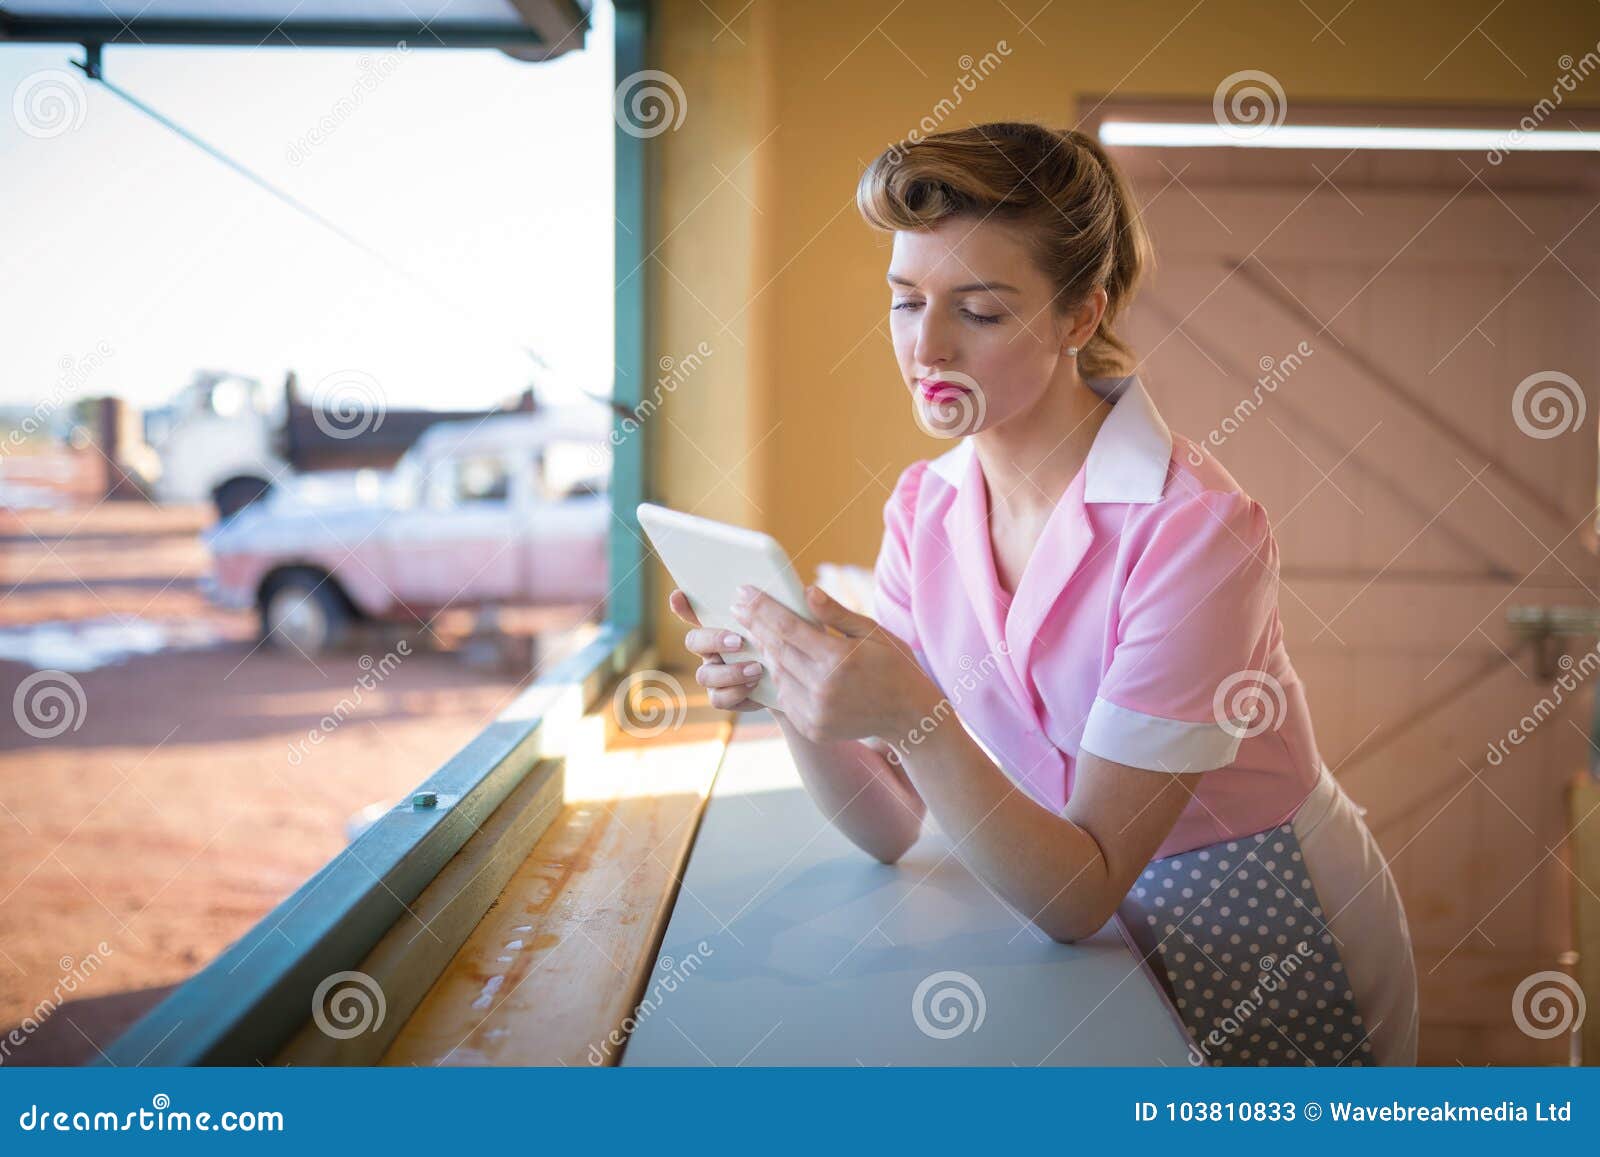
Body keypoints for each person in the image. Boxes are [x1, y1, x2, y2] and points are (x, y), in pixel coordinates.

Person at [668, 121, 1417, 1067]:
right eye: (905, 302)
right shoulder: (925, 508)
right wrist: (792, 688)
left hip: (1255, 925)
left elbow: (1081, 890)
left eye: (978, 312)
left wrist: (921, 715)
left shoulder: (1194, 531)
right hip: (1061, 927)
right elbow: (890, 819)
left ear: (1080, 316)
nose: (927, 346)